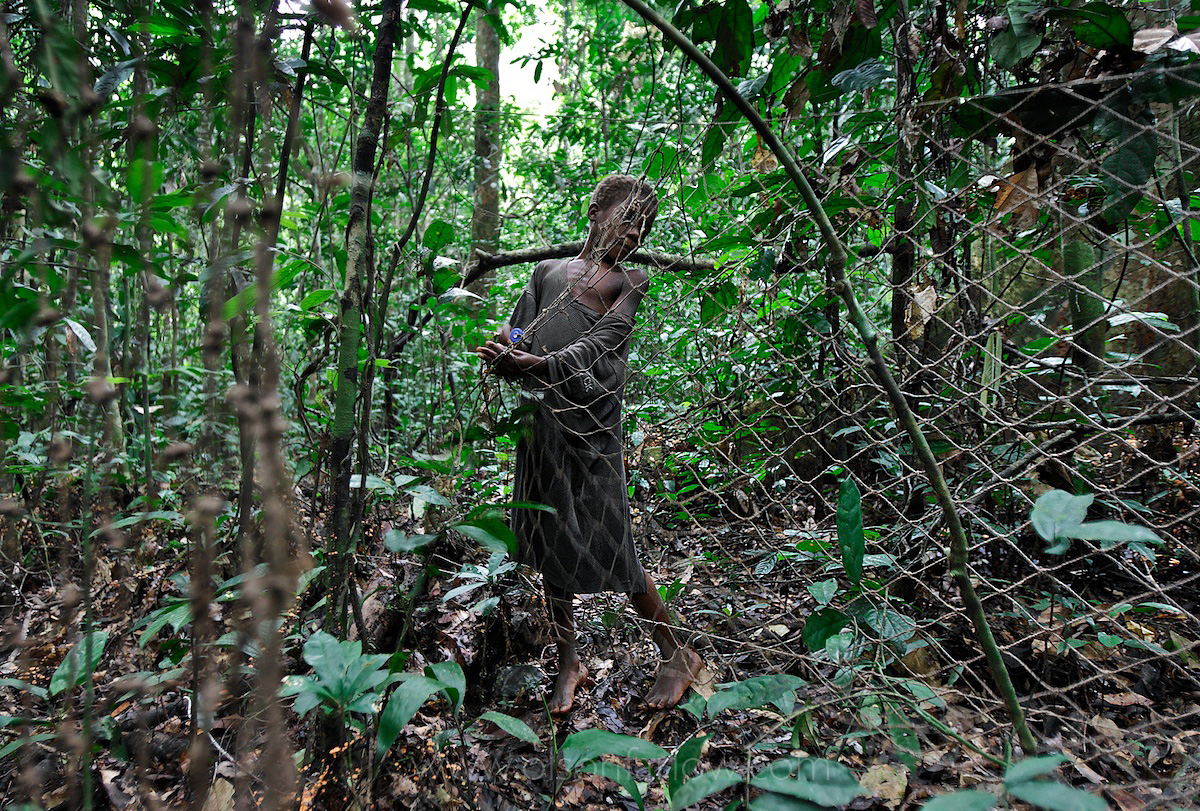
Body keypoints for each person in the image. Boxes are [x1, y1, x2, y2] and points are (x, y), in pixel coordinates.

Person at [475, 174, 703, 714]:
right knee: (552, 538)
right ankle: (569, 657)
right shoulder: (547, 273)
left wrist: (543, 364)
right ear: (595, 211)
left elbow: (602, 344)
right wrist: (505, 351)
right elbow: (519, 335)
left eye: (643, 228)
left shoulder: (630, 283)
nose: (633, 234)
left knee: (613, 537)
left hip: (593, 429)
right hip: (543, 429)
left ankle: (677, 653)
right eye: (627, 220)